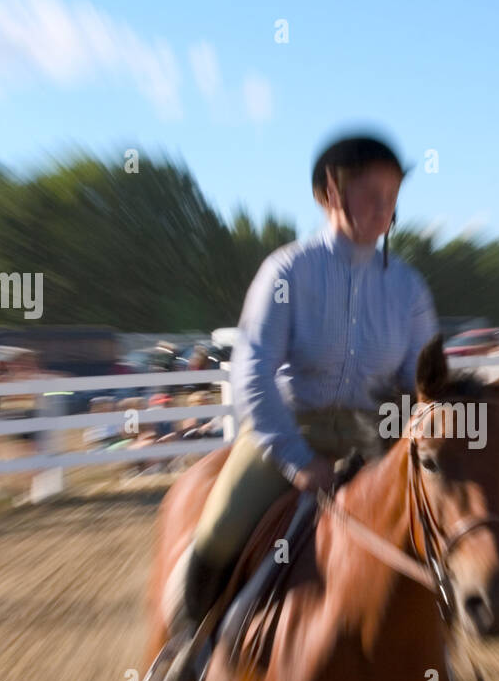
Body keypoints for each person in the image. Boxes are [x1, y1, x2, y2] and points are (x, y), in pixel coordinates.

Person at [180, 133, 439, 643]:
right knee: (217, 532)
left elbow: (422, 382)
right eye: (372, 193)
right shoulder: (287, 271)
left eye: (392, 196)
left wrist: (413, 437)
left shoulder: (409, 288)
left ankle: (445, 666)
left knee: (442, 533)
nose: (385, 207)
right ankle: (186, 658)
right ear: (330, 192)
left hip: (378, 434)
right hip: (290, 432)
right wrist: (299, 461)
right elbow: (251, 373)